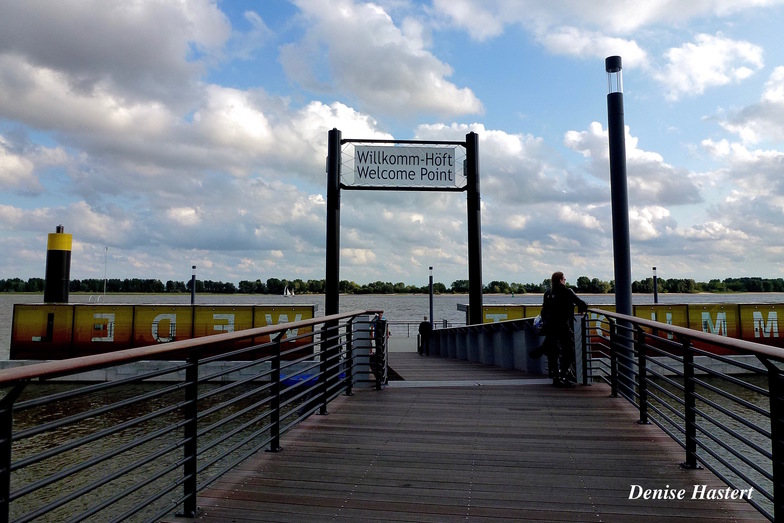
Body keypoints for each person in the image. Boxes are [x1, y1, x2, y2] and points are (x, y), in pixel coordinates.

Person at [541, 271, 588, 387]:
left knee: (553, 352)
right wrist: (579, 309)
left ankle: (555, 377)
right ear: (561, 280)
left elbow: (543, 311)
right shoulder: (567, 292)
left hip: (551, 327)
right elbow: (582, 303)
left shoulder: (548, 293)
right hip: (563, 326)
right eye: (564, 279)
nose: (565, 281)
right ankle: (564, 376)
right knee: (567, 351)